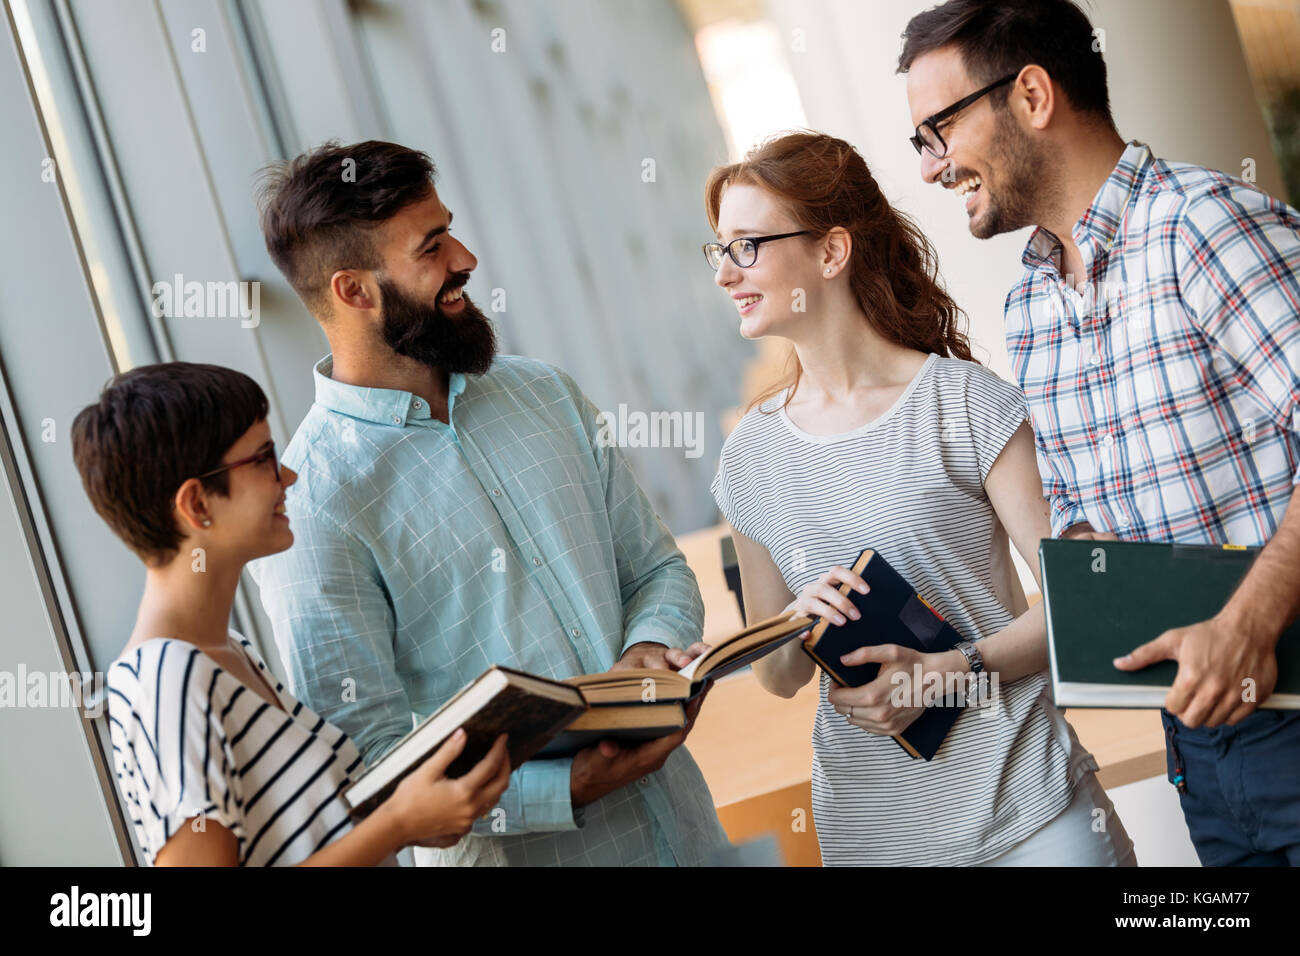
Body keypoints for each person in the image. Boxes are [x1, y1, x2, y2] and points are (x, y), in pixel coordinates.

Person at [248, 140, 729, 866]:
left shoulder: (545, 393)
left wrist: (646, 657)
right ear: (354, 291)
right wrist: (568, 785)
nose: (465, 257)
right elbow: (370, 767)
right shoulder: (314, 501)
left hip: (689, 839)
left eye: (451, 229)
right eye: (432, 246)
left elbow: (656, 570)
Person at [900, 0, 1300, 865]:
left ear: (1033, 95)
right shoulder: (1032, 309)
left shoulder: (1204, 227)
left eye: (939, 130)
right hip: (1200, 748)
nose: (933, 168)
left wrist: (1252, 621)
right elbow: (1091, 541)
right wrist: (943, 662)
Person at [705, 130, 1134, 865]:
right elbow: (779, 680)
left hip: (1032, 816)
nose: (724, 273)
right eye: (719, 249)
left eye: (747, 245)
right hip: (874, 842)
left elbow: (1081, 599)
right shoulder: (750, 454)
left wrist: (955, 672)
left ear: (832, 253)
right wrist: (795, 620)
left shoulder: (965, 404)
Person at [71, 361, 511, 866]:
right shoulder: (165, 681)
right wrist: (397, 824)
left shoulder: (229, 653)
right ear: (196, 504)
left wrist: (410, 817)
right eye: (263, 459)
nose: (289, 475)